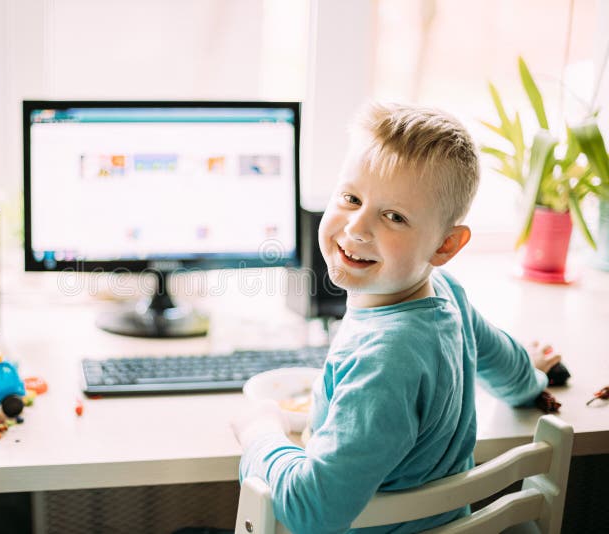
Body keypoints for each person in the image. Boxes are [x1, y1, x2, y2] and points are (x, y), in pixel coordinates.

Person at [231, 102, 562, 533]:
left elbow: (313, 511)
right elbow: (513, 373)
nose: (355, 229)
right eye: (351, 198)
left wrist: (262, 433)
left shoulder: (382, 363)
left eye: (394, 217)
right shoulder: (446, 293)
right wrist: (532, 376)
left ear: (445, 245)